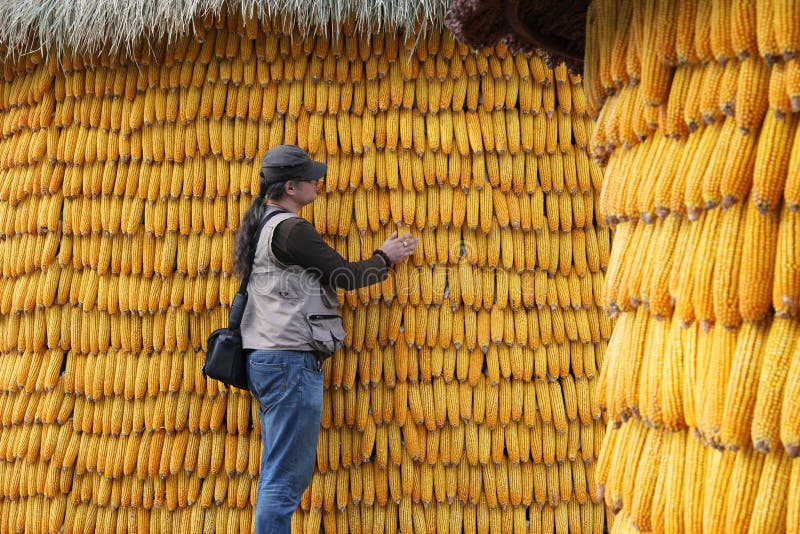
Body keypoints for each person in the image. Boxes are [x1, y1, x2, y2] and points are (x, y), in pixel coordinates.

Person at [233, 144, 418, 533]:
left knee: (277, 471)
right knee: (285, 480)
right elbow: (345, 275)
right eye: (310, 177)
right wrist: (383, 258)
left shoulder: (263, 223)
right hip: (288, 363)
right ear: (290, 187)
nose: (318, 181)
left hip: (266, 358)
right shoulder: (291, 230)